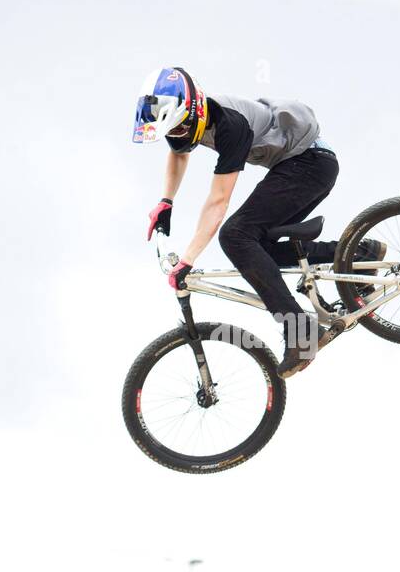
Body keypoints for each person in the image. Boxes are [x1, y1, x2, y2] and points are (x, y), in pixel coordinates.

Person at [132, 66, 384, 378]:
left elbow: (218, 202)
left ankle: (300, 328)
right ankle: (359, 255)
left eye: (179, 129)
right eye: (170, 132)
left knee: (235, 236)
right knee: (256, 250)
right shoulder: (189, 121)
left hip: (309, 165)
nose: (176, 137)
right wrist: (165, 201)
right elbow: (179, 153)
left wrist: (187, 259)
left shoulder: (230, 126)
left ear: (194, 112)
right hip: (303, 164)